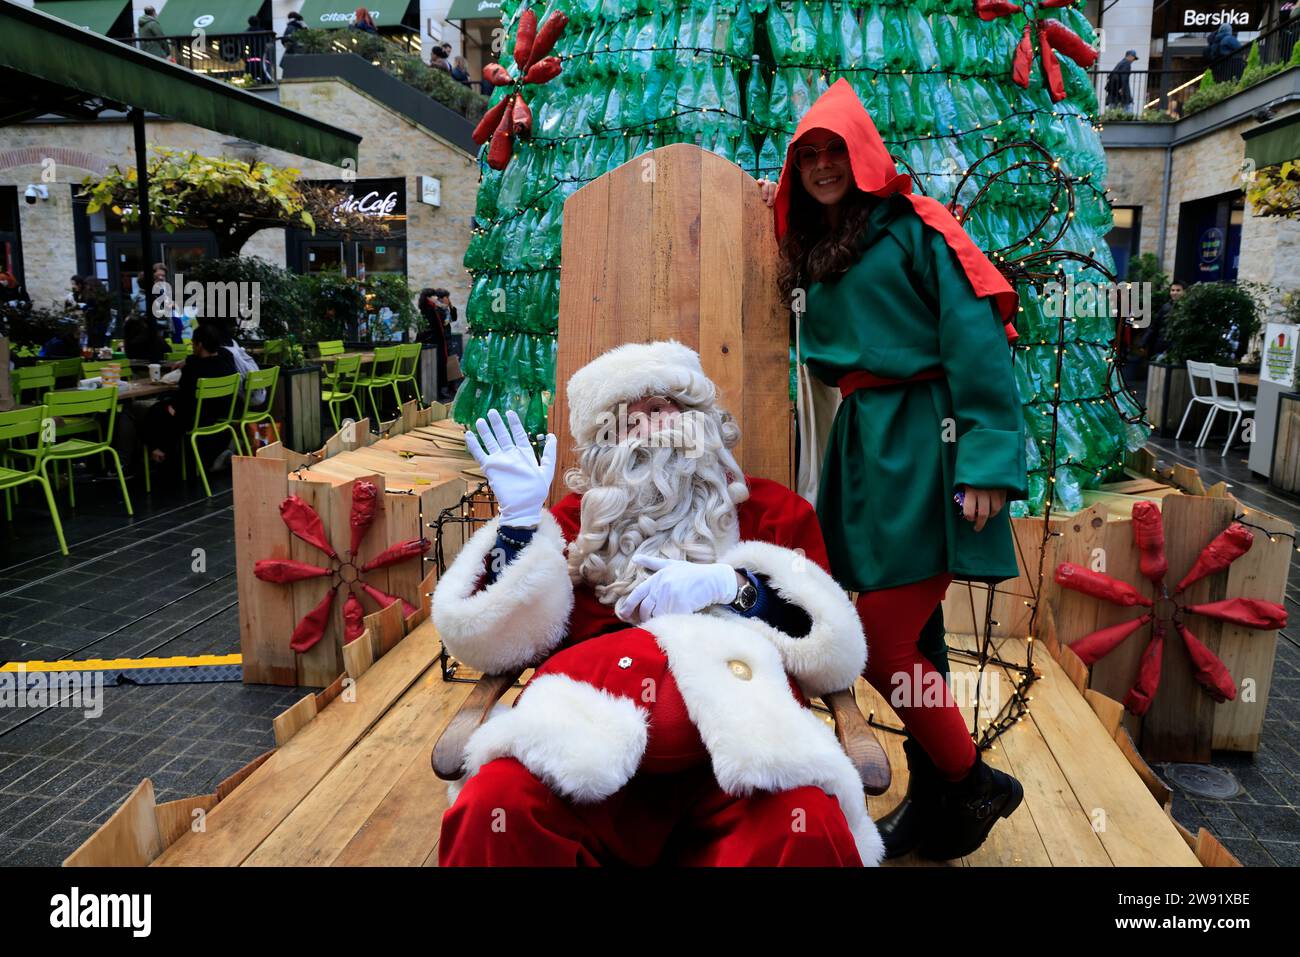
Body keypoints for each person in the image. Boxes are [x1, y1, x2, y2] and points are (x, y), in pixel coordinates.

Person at [434, 341, 883, 867]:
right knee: (497, 805)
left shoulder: (773, 511)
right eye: (627, 421)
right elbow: (498, 639)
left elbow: (829, 648)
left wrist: (733, 587)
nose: (649, 429)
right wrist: (516, 528)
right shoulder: (575, 521)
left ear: (703, 420)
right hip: (579, 742)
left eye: (664, 409)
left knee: (804, 823)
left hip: (743, 750)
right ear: (602, 445)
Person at [756, 79, 1025, 861]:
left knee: (876, 637)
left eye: (834, 150)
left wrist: (984, 461)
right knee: (919, 634)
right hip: (866, 442)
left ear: (863, 153)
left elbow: (977, 336)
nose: (821, 166)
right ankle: (940, 800)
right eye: (807, 155)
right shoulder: (817, 243)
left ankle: (972, 778)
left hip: (925, 441)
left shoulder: (917, 229)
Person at [141, 324, 238, 468]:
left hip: (196, 419)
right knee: (165, 408)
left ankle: (156, 452)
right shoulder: (227, 359)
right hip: (221, 415)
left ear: (199, 344)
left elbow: (182, 403)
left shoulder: (193, 369)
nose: (192, 346)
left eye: (193, 342)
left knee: (151, 410)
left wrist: (171, 407)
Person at [416, 287, 455, 400]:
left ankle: (442, 390)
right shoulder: (429, 309)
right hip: (434, 343)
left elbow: (451, 317)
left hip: (438, 342)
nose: (435, 298)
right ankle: (438, 391)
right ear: (428, 297)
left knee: (440, 366)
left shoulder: (433, 308)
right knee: (437, 367)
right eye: (433, 296)